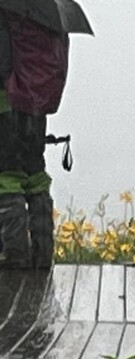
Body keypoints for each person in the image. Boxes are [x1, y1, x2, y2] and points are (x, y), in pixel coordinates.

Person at [0, 11, 67, 269]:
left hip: (5, 107)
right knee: (35, 174)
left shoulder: (4, 18)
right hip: (35, 106)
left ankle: (15, 254)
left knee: (7, 176)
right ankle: (42, 253)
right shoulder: (43, 15)